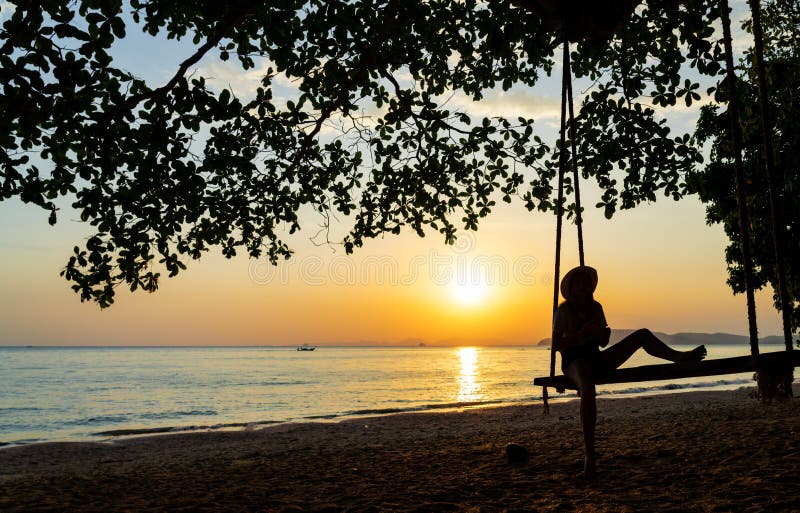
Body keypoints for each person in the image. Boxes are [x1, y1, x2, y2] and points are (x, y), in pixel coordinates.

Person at [552, 265, 707, 479]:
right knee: (588, 388)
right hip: (574, 359)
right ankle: (590, 457)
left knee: (642, 334)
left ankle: (679, 357)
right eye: (579, 283)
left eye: (586, 282)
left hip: (595, 357)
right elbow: (557, 345)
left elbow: (603, 343)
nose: (584, 286)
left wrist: (603, 335)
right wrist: (580, 334)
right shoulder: (564, 310)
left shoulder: (596, 307)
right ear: (571, 287)